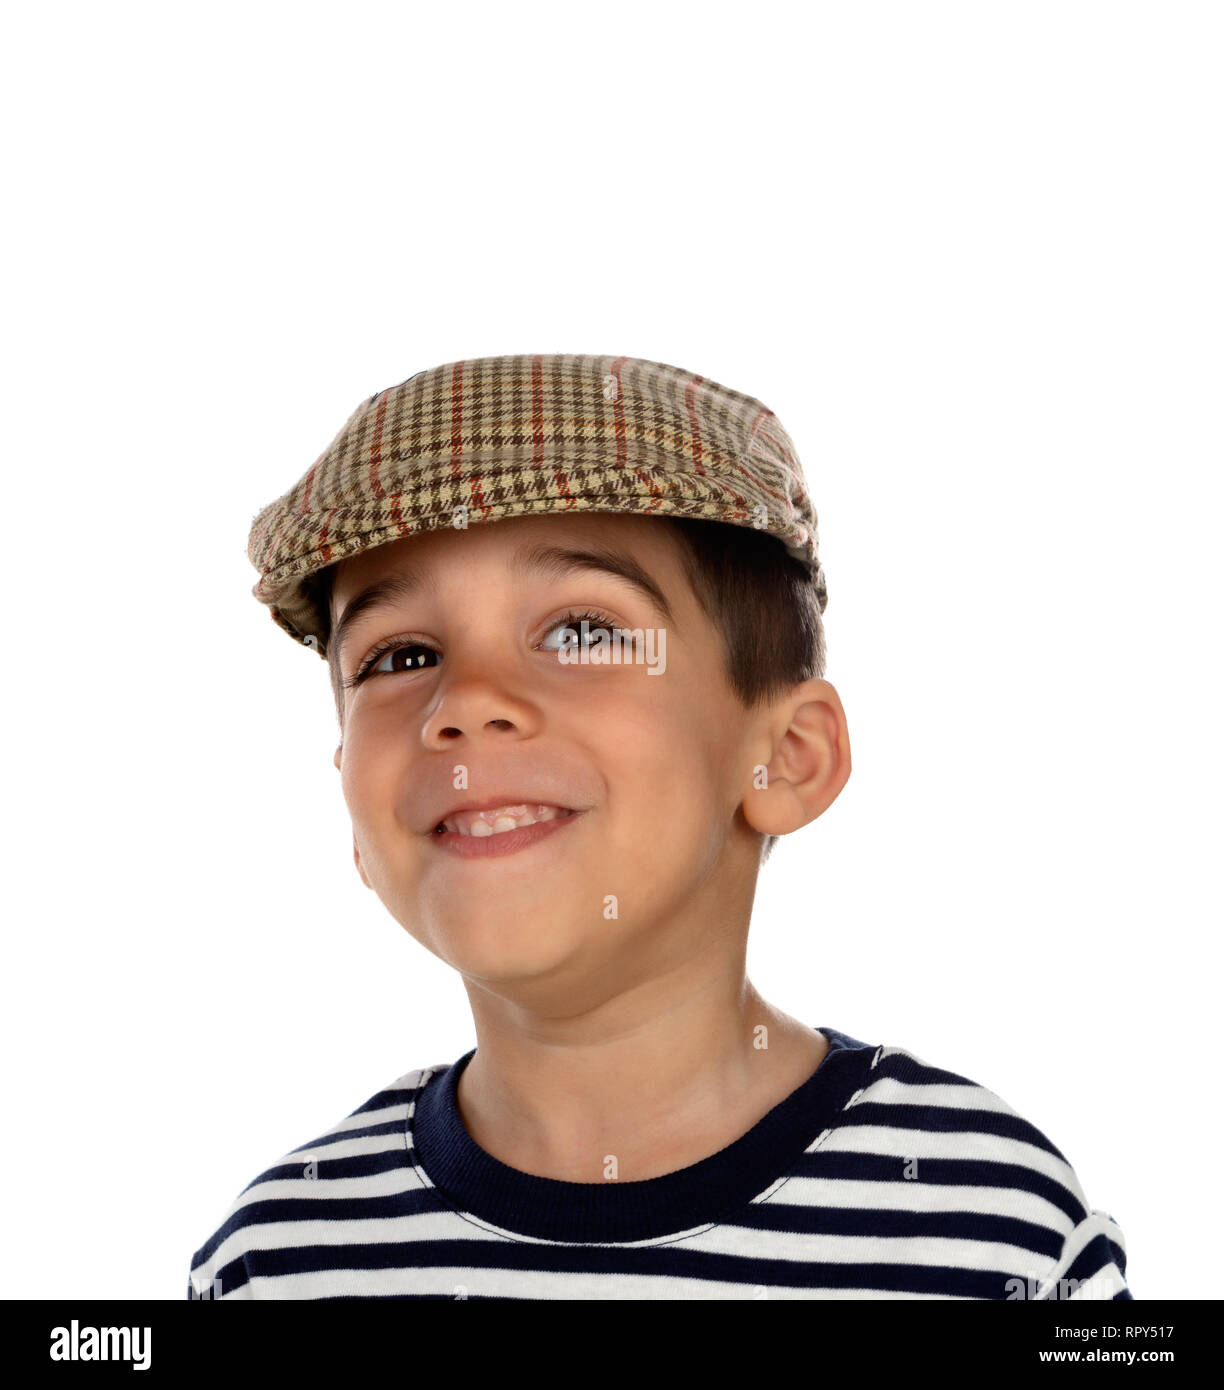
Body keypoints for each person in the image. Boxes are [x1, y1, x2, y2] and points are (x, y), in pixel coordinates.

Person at [187, 353, 1130, 1300]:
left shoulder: (994, 1227)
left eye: (583, 633)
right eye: (401, 654)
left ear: (788, 757)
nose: (464, 703)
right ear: (352, 795)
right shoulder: (279, 1257)